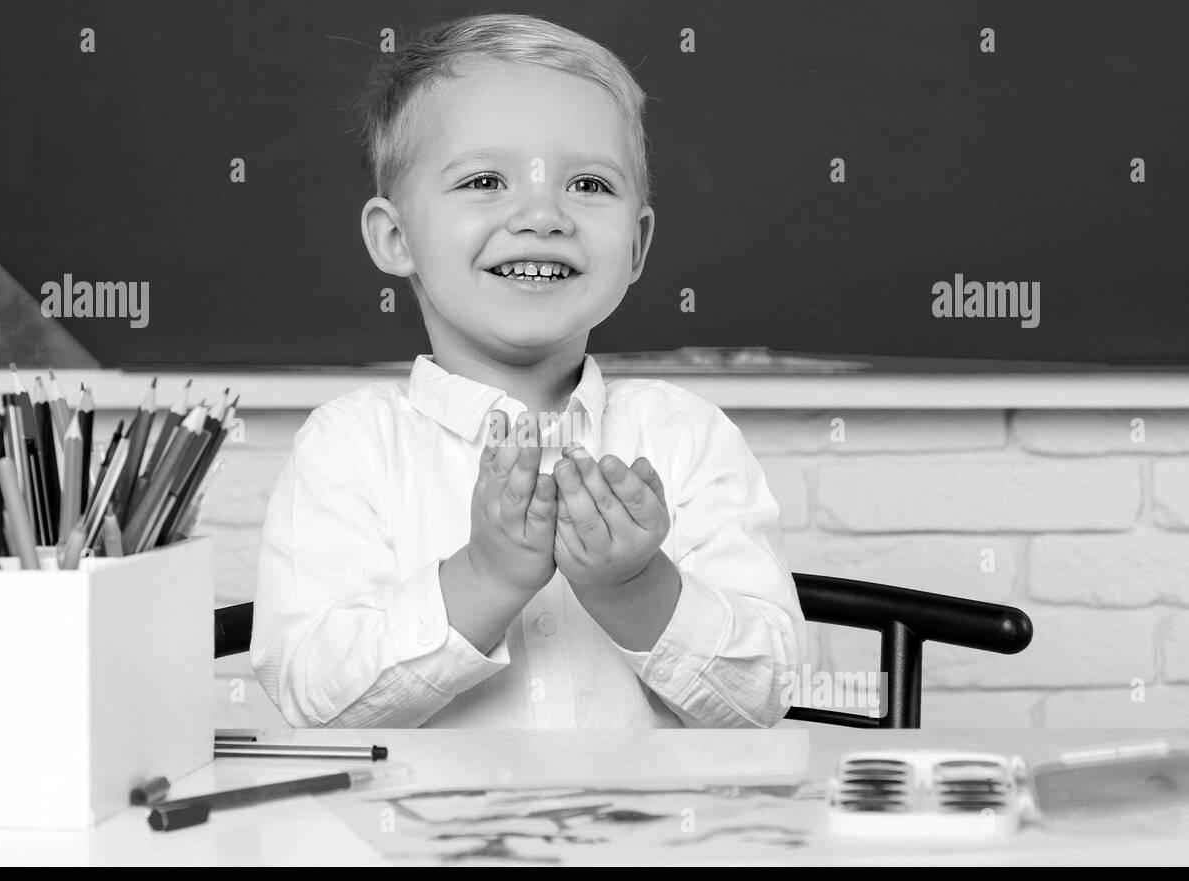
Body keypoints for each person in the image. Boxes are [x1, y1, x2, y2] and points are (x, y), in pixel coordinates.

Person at [251, 13, 806, 728]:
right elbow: (311, 695)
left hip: (652, 841)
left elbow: (765, 695)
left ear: (636, 247)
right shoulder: (349, 448)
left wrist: (638, 587)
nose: (542, 214)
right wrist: (482, 580)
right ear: (395, 238)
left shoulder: (686, 438)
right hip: (423, 840)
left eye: (589, 185)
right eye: (486, 179)